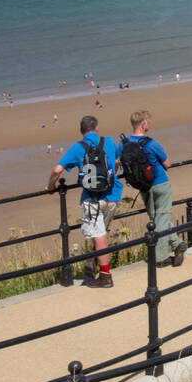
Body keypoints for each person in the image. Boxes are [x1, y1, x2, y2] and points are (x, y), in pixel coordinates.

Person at [47, 115, 120, 288]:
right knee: (101, 234)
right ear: (96, 128)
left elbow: (57, 170)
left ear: (82, 131)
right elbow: (116, 161)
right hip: (112, 195)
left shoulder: (78, 147)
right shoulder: (108, 142)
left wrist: (51, 186)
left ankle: (105, 276)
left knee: (99, 236)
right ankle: (91, 263)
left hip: (91, 199)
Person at [123, 110, 187, 268]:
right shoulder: (152, 143)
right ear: (144, 125)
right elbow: (167, 164)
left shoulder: (124, 143)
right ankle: (162, 257)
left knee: (157, 219)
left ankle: (178, 244)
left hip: (143, 186)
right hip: (160, 183)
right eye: (148, 123)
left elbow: (120, 161)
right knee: (162, 218)